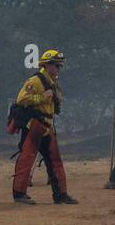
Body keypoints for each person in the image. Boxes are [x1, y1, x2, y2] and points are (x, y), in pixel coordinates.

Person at [10, 49, 78, 205]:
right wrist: (42, 97)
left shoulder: (52, 81)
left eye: (60, 66)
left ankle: (60, 194)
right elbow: (21, 99)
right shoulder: (35, 81)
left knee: (55, 161)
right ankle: (19, 194)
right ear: (47, 65)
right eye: (56, 65)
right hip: (34, 125)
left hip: (47, 126)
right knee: (27, 159)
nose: (58, 68)